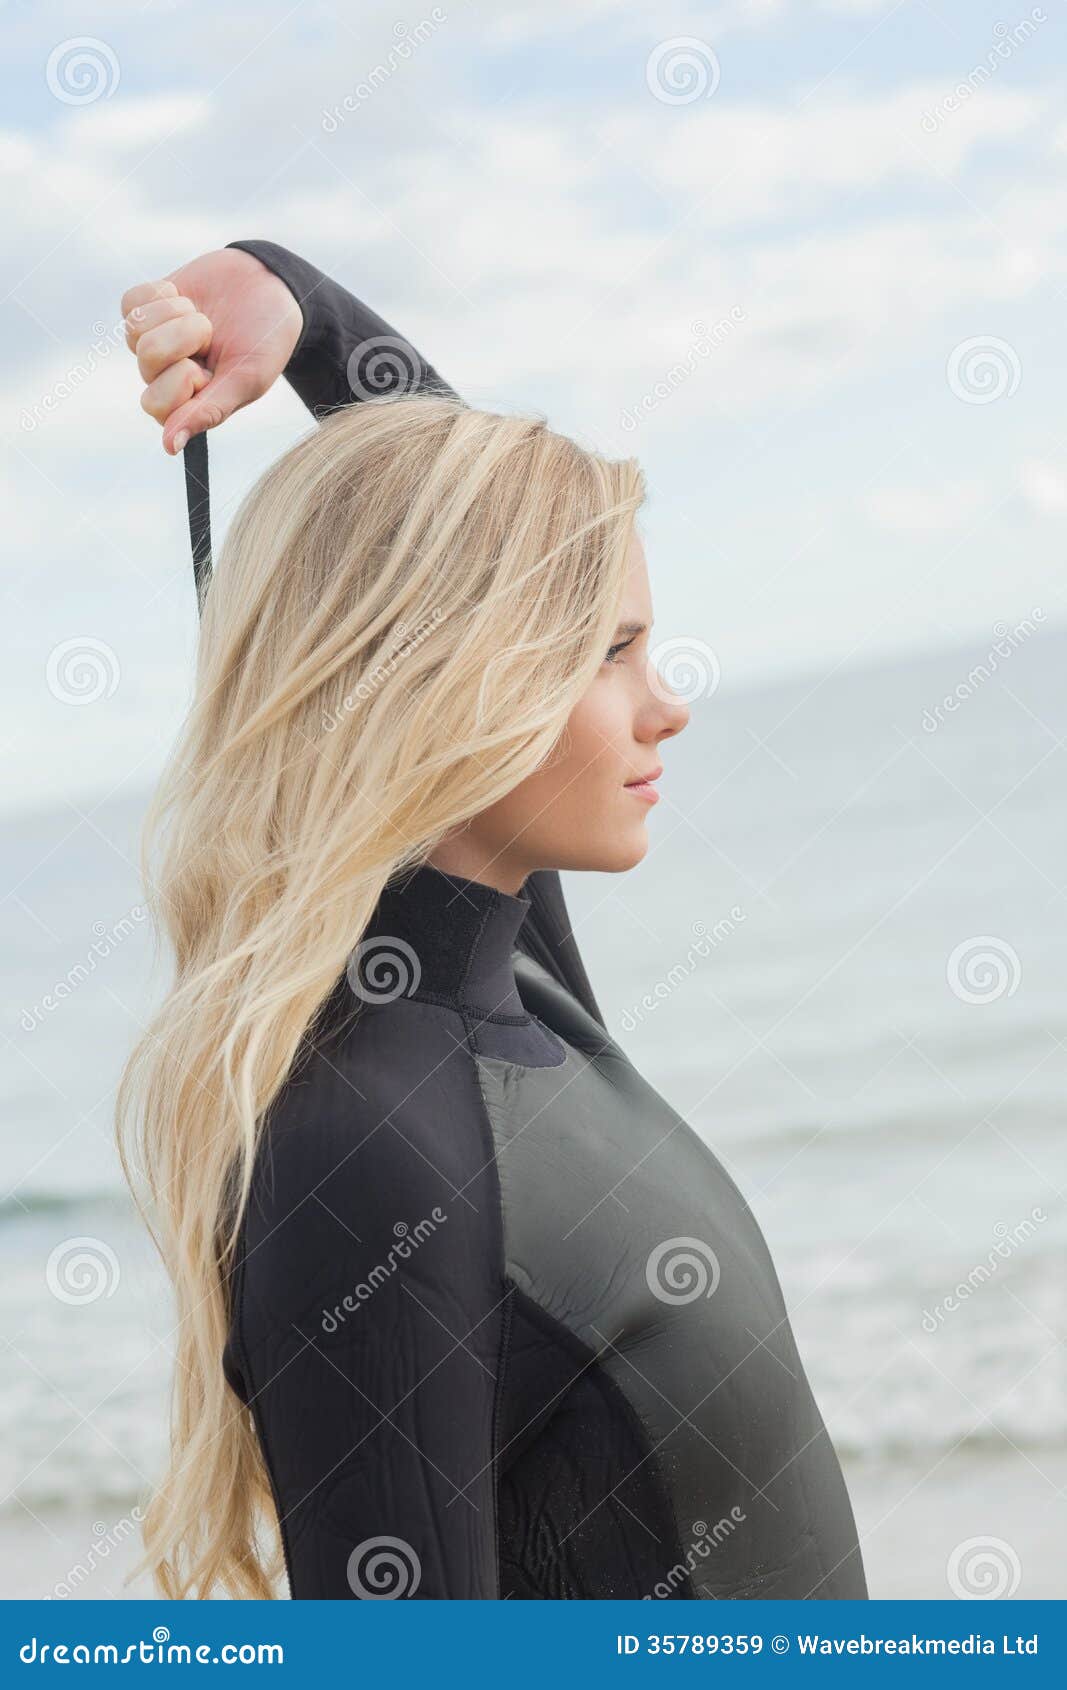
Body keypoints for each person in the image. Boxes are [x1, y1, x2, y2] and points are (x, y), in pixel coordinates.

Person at [115, 242, 868, 1602]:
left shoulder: (503, 973)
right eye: (609, 650)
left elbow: (454, 527)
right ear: (456, 686)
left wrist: (304, 312)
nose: (666, 702)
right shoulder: (377, 1142)